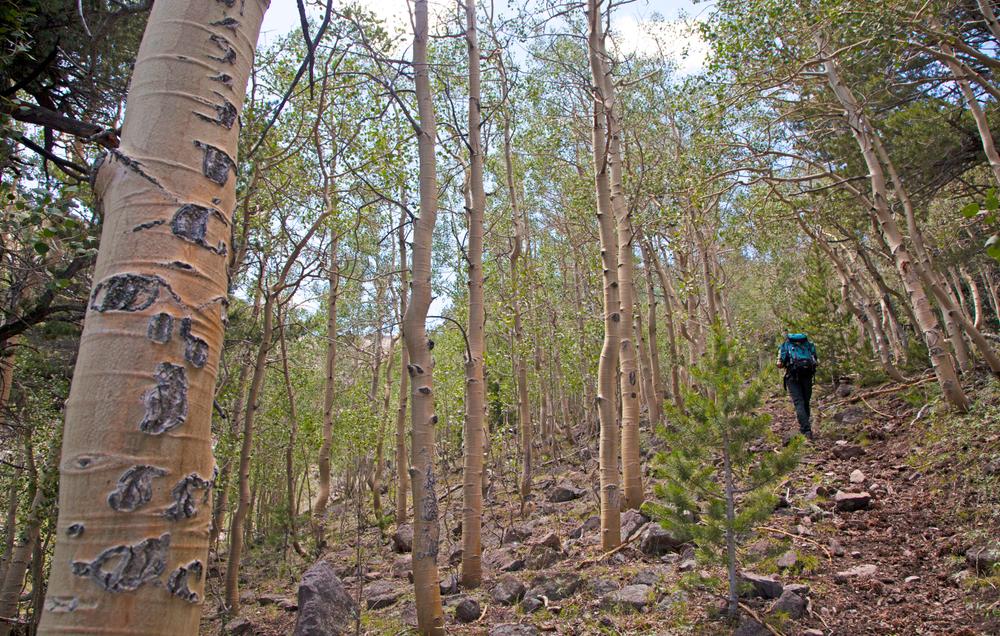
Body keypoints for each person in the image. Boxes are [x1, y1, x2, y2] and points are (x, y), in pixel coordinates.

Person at [777, 333, 818, 439]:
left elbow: (780, 364)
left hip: (792, 377)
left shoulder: (785, 345)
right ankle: (806, 428)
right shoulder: (808, 345)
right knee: (805, 402)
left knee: (798, 402)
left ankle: (806, 429)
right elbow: (816, 361)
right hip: (807, 376)